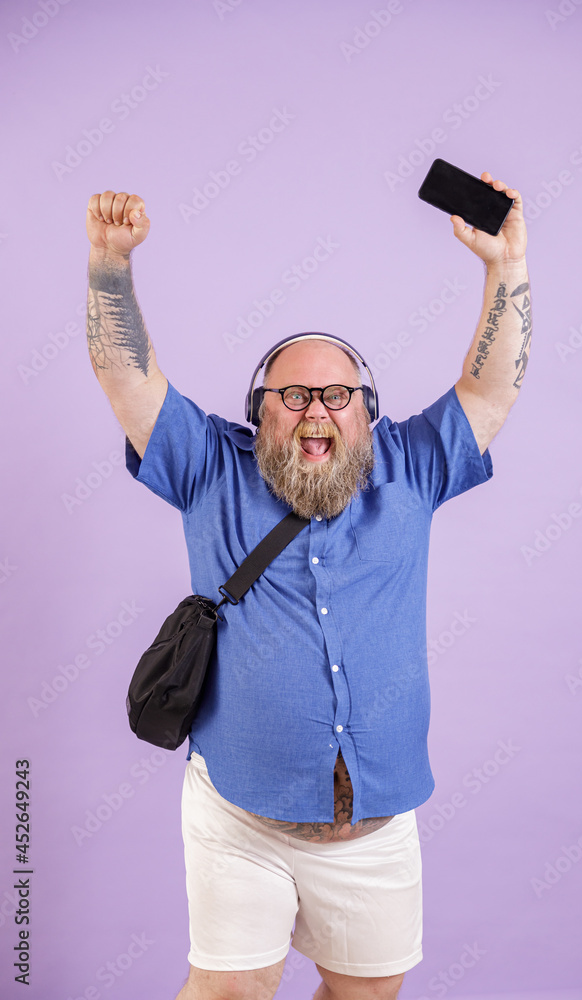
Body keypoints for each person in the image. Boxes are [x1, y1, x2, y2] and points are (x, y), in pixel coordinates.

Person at [85, 176, 530, 1000]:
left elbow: (491, 387)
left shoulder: (411, 467)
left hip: (374, 826)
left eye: (336, 395)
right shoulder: (210, 466)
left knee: (365, 995)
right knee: (231, 991)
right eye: (292, 396)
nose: (315, 410)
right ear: (260, 412)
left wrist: (505, 269)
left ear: (367, 412)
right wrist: (111, 264)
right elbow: (127, 379)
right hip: (239, 818)